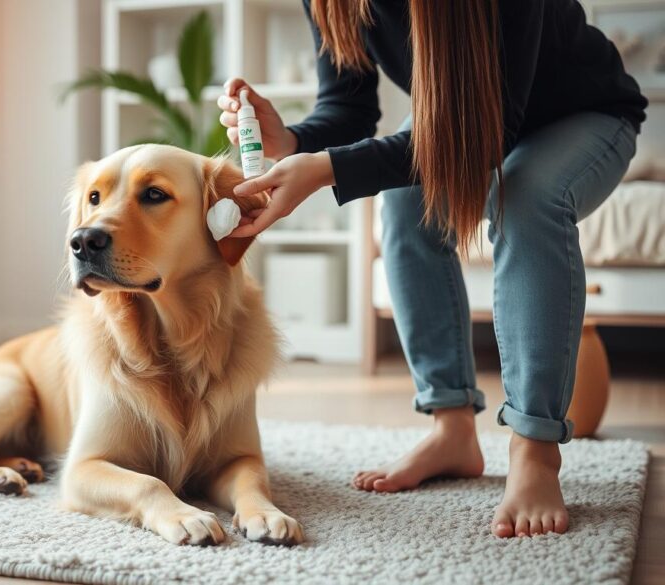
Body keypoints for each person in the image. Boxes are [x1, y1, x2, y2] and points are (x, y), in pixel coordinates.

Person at [218, 0, 647, 538]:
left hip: (585, 112)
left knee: (527, 198)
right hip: (463, 120)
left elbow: (488, 137)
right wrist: (293, 141)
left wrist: (328, 168)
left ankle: (535, 450)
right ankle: (452, 430)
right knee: (403, 203)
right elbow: (348, 108)